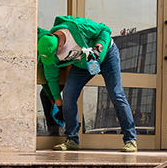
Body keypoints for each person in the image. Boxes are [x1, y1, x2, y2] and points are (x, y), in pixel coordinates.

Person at [38, 15, 138, 152]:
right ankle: (71, 139)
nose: (54, 60)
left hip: (107, 55)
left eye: (55, 56)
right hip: (82, 65)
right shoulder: (48, 50)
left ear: (60, 45)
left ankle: (130, 139)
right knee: (68, 94)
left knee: (116, 94)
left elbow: (105, 29)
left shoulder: (78, 27)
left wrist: (98, 48)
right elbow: (51, 78)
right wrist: (58, 104)